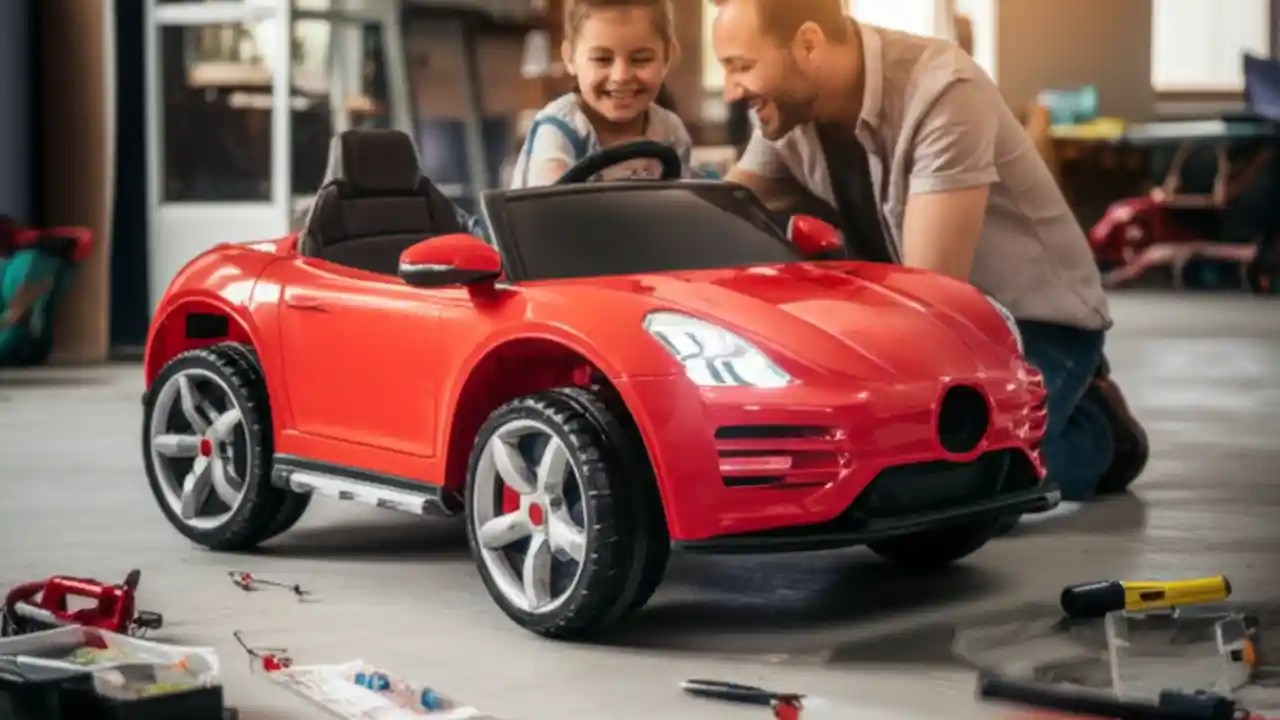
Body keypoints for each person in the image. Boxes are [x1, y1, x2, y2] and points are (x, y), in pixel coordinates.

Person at [707, 0, 1149, 503]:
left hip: (1028, 323)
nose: (731, 90)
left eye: (741, 67)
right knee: (882, 478)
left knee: (968, 499)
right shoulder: (790, 107)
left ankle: (1101, 433)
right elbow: (727, 209)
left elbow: (932, 297)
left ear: (808, 44)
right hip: (925, 328)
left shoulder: (943, 91)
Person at [507, 0, 695, 189]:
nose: (621, 76)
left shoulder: (671, 133)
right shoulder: (559, 132)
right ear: (570, 57)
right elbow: (548, 211)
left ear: (668, 57)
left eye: (641, 59)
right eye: (602, 59)